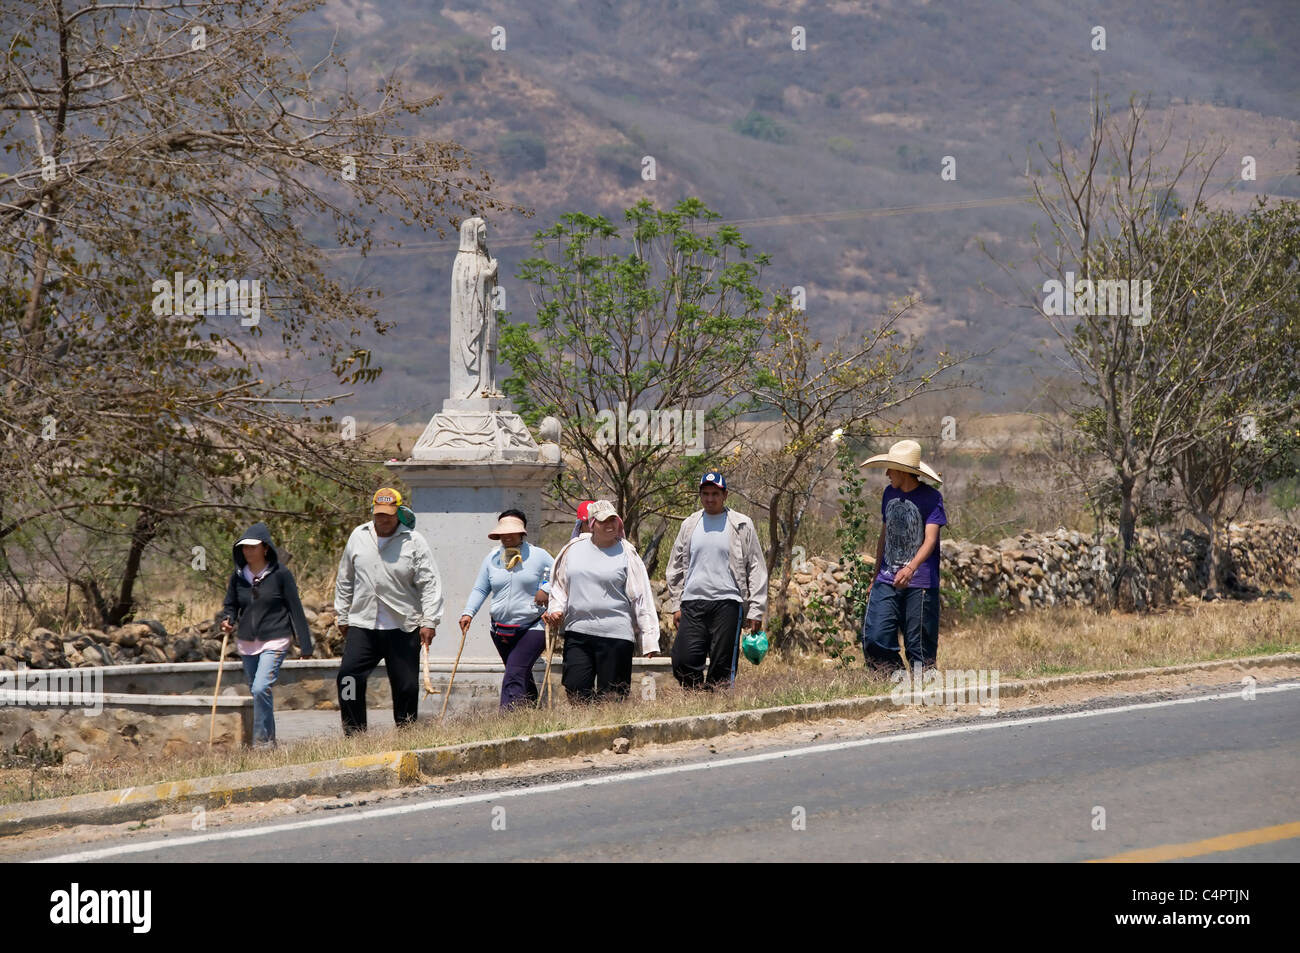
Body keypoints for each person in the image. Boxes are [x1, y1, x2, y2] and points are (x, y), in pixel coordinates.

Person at [334, 487, 443, 733]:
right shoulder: (358, 536)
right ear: (373, 511)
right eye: (379, 514)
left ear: (399, 513)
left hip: (403, 626)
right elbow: (345, 579)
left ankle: (406, 733)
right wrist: (342, 614)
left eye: (388, 514)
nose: (383, 519)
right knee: (348, 677)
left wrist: (429, 621)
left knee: (405, 686)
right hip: (363, 624)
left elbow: (430, 583)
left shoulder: (414, 541)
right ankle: (354, 733)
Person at [543, 500, 660, 702]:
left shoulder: (627, 553)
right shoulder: (572, 550)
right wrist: (556, 610)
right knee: (576, 689)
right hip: (578, 632)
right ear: (591, 524)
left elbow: (641, 597)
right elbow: (559, 587)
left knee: (612, 698)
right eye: (604, 521)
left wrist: (649, 639)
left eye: (613, 520)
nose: (610, 525)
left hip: (616, 635)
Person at [665, 470, 768, 689]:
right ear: (700, 495)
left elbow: (757, 566)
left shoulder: (741, 524)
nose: (710, 499)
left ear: (725, 495)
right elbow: (674, 567)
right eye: (705, 494)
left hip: (728, 602)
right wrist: (676, 604)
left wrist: (756, 609)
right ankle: (694, 697)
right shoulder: (689, 524)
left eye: (715, 494)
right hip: (693, 601)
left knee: (723, 662)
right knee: (683, 659)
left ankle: (717, 702)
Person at [218, 522, 313, 748]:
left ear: (265, 548)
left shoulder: (281, 574)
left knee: (261, 687)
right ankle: (269, 742)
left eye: (253, 547)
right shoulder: (238, 576)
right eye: (244, 547)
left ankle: (261, 743)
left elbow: (295, 608)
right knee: (258, 692)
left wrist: (305, 646)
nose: (248, 551)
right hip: (247, 642)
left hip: (276, 638)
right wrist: (228, 619)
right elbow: (230, 605)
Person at [858, 440, 947, 673]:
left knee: (918, 646)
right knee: (875, 634)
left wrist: (911, 568)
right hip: (887, 578)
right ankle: (892, 680)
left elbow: (930, 539)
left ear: (904, 472)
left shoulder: (931, 498)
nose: (887, 473)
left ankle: (923, 688)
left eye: (891, 469)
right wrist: (876, 575)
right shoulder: (889, 494)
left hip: (920, 583)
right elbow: (884, 535)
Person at [459, 510, 554, 709]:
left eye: (512, 532)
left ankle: (508, 719)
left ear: (522, 533)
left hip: (532, 626)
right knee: (520, 673)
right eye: (503, 532)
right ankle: (530, 715)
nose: (507, 536)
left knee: (514, 673)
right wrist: (468, 612)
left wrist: (545, 589)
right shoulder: (492, 558)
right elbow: (481, 588)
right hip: (500, 630)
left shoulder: (540, 556)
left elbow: (560, 577)